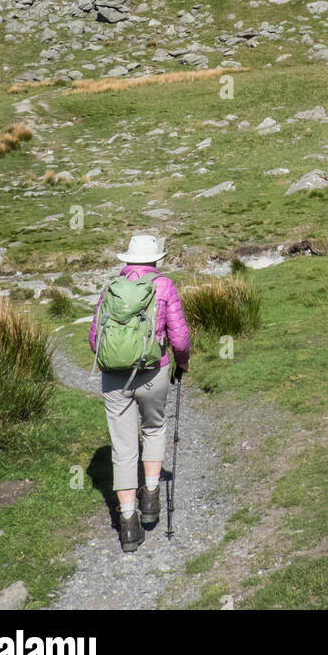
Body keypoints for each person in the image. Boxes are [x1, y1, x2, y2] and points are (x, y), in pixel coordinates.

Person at [89, 232, 190, 552]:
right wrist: (182, 364)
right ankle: (150, 496)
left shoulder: (111, 288)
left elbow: (95, 338)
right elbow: (180, 338)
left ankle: (129, 525)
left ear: (128, 260)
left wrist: (113, 361)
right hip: (152, 372)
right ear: (156, 259)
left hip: (114, 377)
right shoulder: (165, 286)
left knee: (122, 447)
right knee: (154, 427)